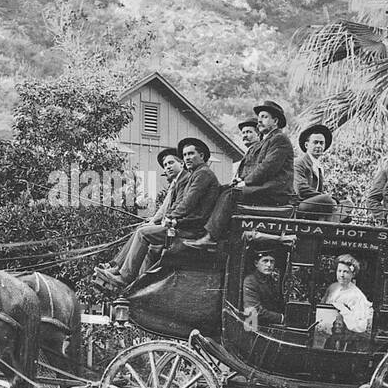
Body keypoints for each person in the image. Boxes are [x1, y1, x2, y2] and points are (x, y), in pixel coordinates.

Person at [104, 138, 219, 287]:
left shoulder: (203, 174)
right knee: (144, 234)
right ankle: (132, 279)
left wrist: (172, 217)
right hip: (187, 226)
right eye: (185, 155)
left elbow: (188, 202)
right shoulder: (196, 174)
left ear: (202, 156)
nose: (187, 158)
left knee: (143, 234)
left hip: (192, 230)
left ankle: (126, 277)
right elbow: (182, 203)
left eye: (191, 153)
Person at [188, 100, 294, 247]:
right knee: (220, 190)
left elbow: (267, 168)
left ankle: (212, 236)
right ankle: (203, 230)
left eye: (264, 117)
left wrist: (245, 182)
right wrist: (240, 180)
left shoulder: (279, 139)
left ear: (275, 121)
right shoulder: (266, 141)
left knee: (231, 194)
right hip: (265, 187)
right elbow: (256, 168)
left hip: (275, 191)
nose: (259, 122)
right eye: (259, 118)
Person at [97, 146, 183, 288]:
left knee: (142, 232)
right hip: (168, 226)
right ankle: (116, 266)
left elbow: (176, 208)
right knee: (141, 228)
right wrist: (153, 220)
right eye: (165, 165)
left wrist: (159, 221)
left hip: (175, 229)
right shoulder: (175, 183)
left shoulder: (183, 181)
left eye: (171, 163)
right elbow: (164, 208)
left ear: (181, 164)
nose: (167, 167)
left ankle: (125, 275)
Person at [320, 253, 374, 336]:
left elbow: (361, 326)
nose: (341, 275)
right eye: (339, 271)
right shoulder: (332, 287)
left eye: (346, 272)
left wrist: (343, 309)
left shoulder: (356, 296)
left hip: (346, 338)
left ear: (353, 274)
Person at [293, 122, 339, 218]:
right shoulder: (300, 162)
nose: (318, 146)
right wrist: (324, 197)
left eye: (321, 143)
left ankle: (334, 217)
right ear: (306, 145)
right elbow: (301, 189)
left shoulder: (318, 166)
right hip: (300, 204)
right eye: (315, 142)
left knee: (347, 203)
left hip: (313, 203)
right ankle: (333, 221)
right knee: (327, 200)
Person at [241, 250, 285, 328]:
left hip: (269, 325)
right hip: (254, 327)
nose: (269, 265)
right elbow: (253, 311)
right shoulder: (250, 281)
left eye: (272, 262)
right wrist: (281, 318)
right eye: (265, 261)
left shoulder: (270, 280)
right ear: (256, 263)